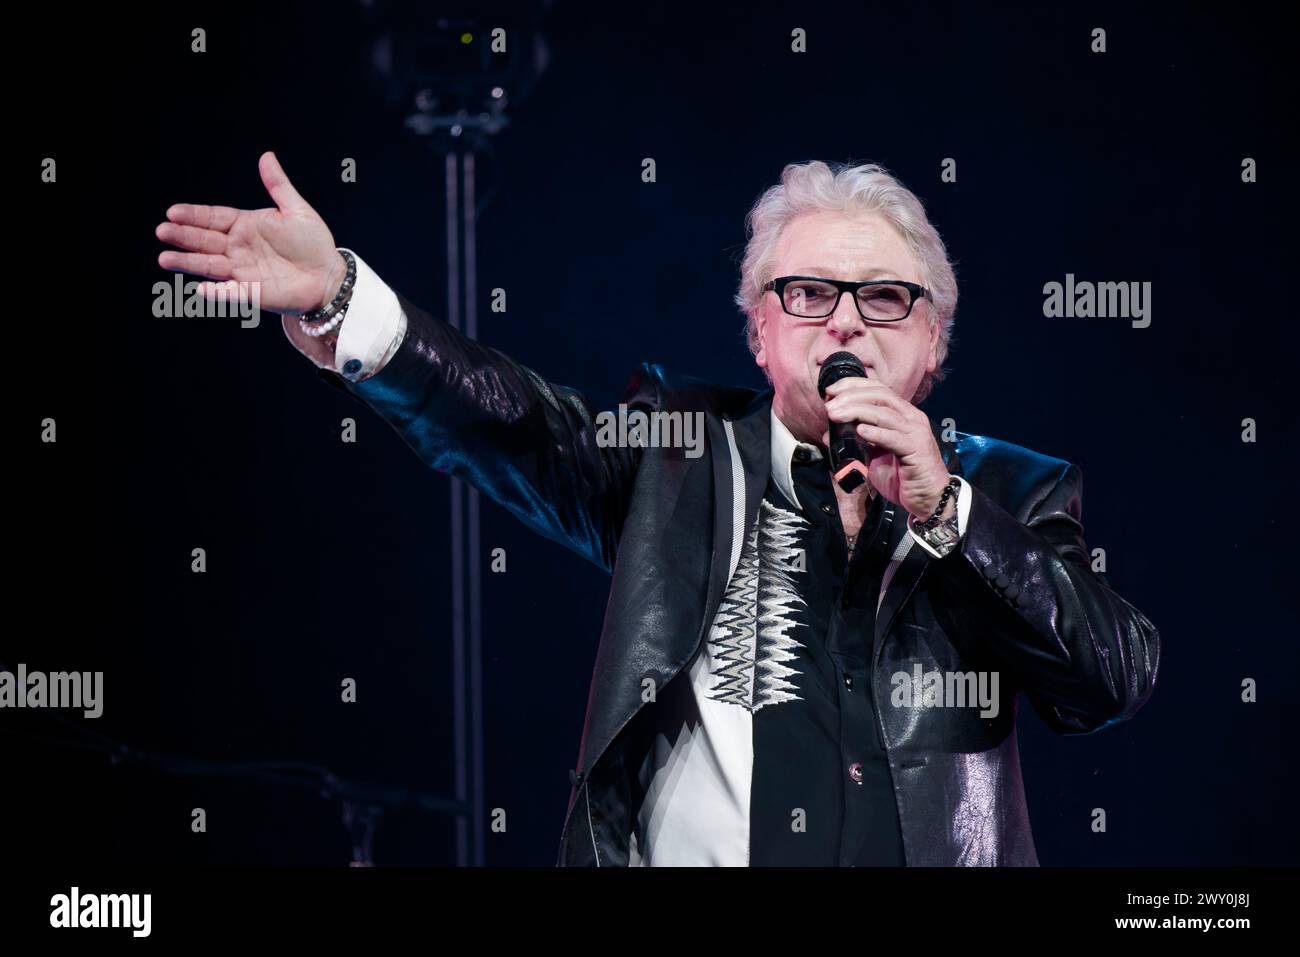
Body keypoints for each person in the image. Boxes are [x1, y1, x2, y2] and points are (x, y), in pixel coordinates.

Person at [156, 154, 1160, 866]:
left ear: (933, 343)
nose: (846, 318)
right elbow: (512, 424)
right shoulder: (678, 458)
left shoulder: (1016, 492)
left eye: (885, 298)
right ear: (759, 332)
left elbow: (1109, 679)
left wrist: (947, 510)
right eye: (807, 293)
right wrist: (342, 296)